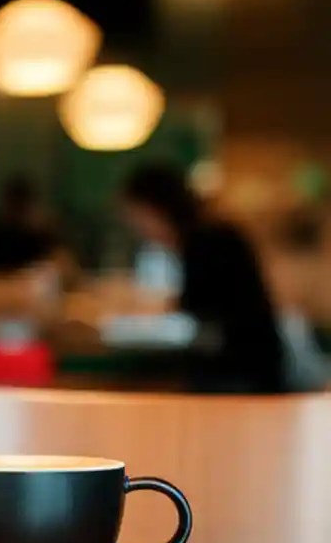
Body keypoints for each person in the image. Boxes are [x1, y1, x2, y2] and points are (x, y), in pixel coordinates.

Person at [121, 164, 287, 393]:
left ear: (156, 210)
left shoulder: (205, 240)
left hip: (240, 372)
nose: (140, 230)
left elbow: (203, 303)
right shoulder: (211, 234)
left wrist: (160, 306)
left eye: (139, 219)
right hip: (247, 364)